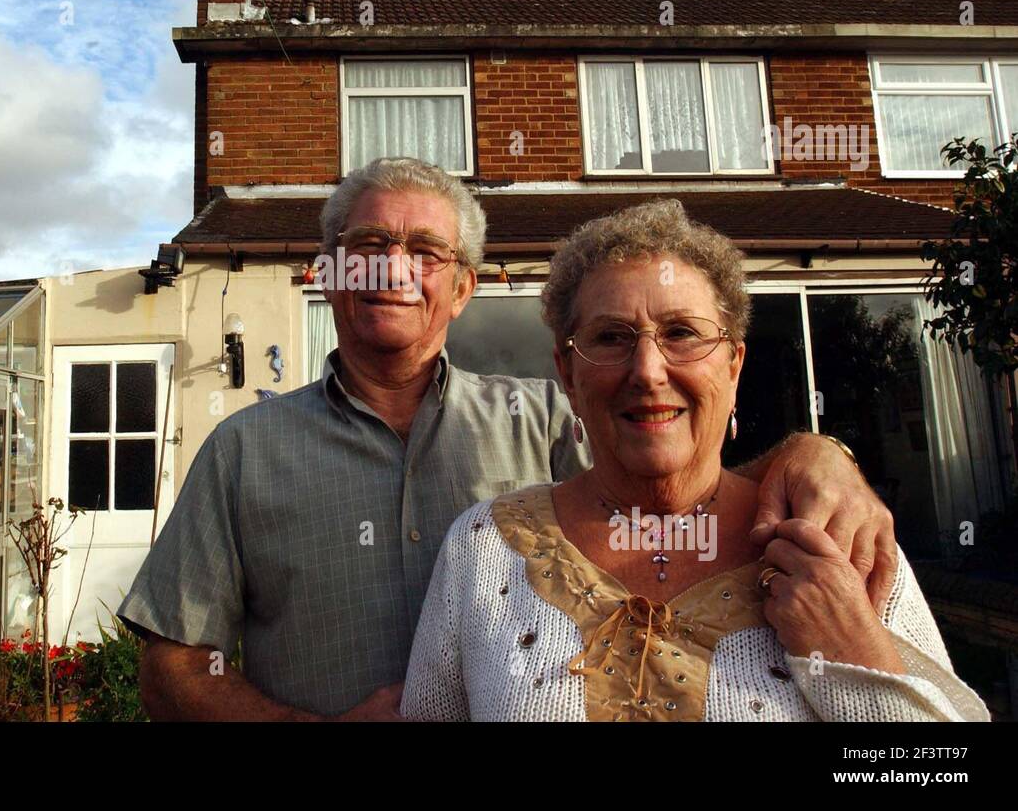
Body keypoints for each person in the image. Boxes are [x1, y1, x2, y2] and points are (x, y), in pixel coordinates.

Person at [120, 158, 897, 721]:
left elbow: (678, 488)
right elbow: (172, 670)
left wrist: (812, 454)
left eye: (426, 252)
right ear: (327, 275)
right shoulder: (242, 451)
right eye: (368, 245)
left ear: (463, 288)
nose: (396, 268)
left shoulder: (550, 420)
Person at [401, 199, 988, 721]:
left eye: (682, 332)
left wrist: (853, 659)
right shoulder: (484, 548)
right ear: (567, 373)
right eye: (611, 337)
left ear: (733, 365)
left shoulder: (837, 540)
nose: (649, 371)